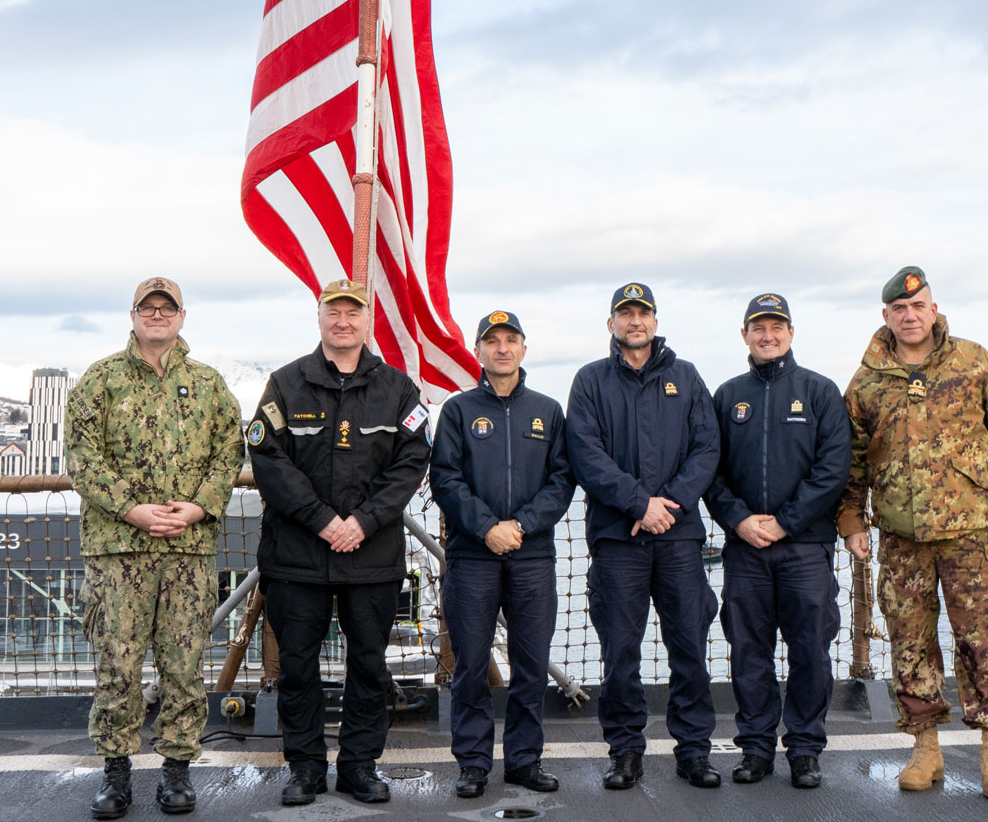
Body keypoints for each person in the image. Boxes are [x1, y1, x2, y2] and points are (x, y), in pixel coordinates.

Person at [837, 266, 988, 801]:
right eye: (899, 310)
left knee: (982, 641)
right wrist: (852, 521)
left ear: (933, 309)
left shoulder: (973, 362)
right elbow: (850, 462)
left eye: (918, 306)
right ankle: (925, 749)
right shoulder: (867, 380)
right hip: (901, 538)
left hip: (969, 533)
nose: (910, 316)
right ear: (886, 317)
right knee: (909, 644)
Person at [248, 279, 433, 807]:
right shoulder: (284, 385)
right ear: (321, 317)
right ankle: (305, 768)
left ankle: (358, 766)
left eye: (353, 312)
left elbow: (412, 460)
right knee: (299, 667)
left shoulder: (399, 390)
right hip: (297, 557)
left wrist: (364, 521)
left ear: (366, 320)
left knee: (370, 666)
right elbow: (269, 460)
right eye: (335, 311)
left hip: (370, 556)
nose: (343, 321)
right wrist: (324, 520)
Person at [67, 276, 244, 819]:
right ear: (133, 315)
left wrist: (197, 507)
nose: (158, 315)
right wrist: (131, 509)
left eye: (168, 308)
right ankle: (116, 774)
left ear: (182, 317)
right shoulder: (99, 381)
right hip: (119, 549)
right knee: (116, 664)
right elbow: (82, 458)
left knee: (183, 665)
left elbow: (228, 453)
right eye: (149, 307)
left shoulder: (210, 385)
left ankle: (176, 771)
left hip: (187, 550)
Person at [565, 282, 723, 791]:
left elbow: (707, 449)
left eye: (643, 313)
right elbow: (585, 454)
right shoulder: (590, 381)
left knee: (689, 650)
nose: (635, 321)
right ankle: (626, 752)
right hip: (616, 538)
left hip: (678, 539)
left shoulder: (686, 376)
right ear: (610, 323)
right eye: (625, 314)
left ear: (655, 320)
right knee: (620, 655)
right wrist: (639, 504)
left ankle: (694, 751)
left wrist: (666, 507)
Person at [705, 293, 850, 789]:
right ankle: (757, 749)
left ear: (791, 333)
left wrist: (786, 522)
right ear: (744, 334)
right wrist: (740, 520)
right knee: (748, 651)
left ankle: (805, 750)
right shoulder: (727, 396)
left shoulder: (820, 392)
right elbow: (710, 469)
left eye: (777, 327)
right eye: (758, 327)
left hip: (805, 547)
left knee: (811, 650)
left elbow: (833, 470)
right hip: (745, 549)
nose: (768, 336)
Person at [429, 310, 575, 799]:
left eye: (511, 340)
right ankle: (472, 763)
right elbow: (445, 479)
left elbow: (562, 480)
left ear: (524, 349)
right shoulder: (458, 410)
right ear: (479, 351)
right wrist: (488, 528)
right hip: (472, 558)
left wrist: (523, 526)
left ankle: (524, 760)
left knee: (530, 664)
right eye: (492, 341)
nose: (502, 348)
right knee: (470, 664)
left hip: (533, 558)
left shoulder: (548, 411)